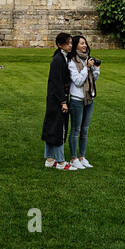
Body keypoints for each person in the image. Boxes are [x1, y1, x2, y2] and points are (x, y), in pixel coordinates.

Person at [43, 33, 78, 170]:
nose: (70, 45)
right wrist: (63, 101)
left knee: (52, 127)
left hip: (54, 99)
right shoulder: (58, 60)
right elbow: (57, 83)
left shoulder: (62, 57)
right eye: (68, 43)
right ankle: (61, 161)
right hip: (57, 99)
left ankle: (50, 158)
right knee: (59, 129)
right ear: (59, 45)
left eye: (71, 43)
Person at [65, 34, 100, 169]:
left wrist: (95, 69)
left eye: (85, 43)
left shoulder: (87, 60)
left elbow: (93, 79)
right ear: (75, 46)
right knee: (75, 129)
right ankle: (73, 158)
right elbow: (79, 81)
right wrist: (85, 67)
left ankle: (82, 156)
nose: (84, 45)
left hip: (89, 98)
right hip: (77, 99)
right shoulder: (72, 62)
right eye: (81, 43)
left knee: (84, 130)